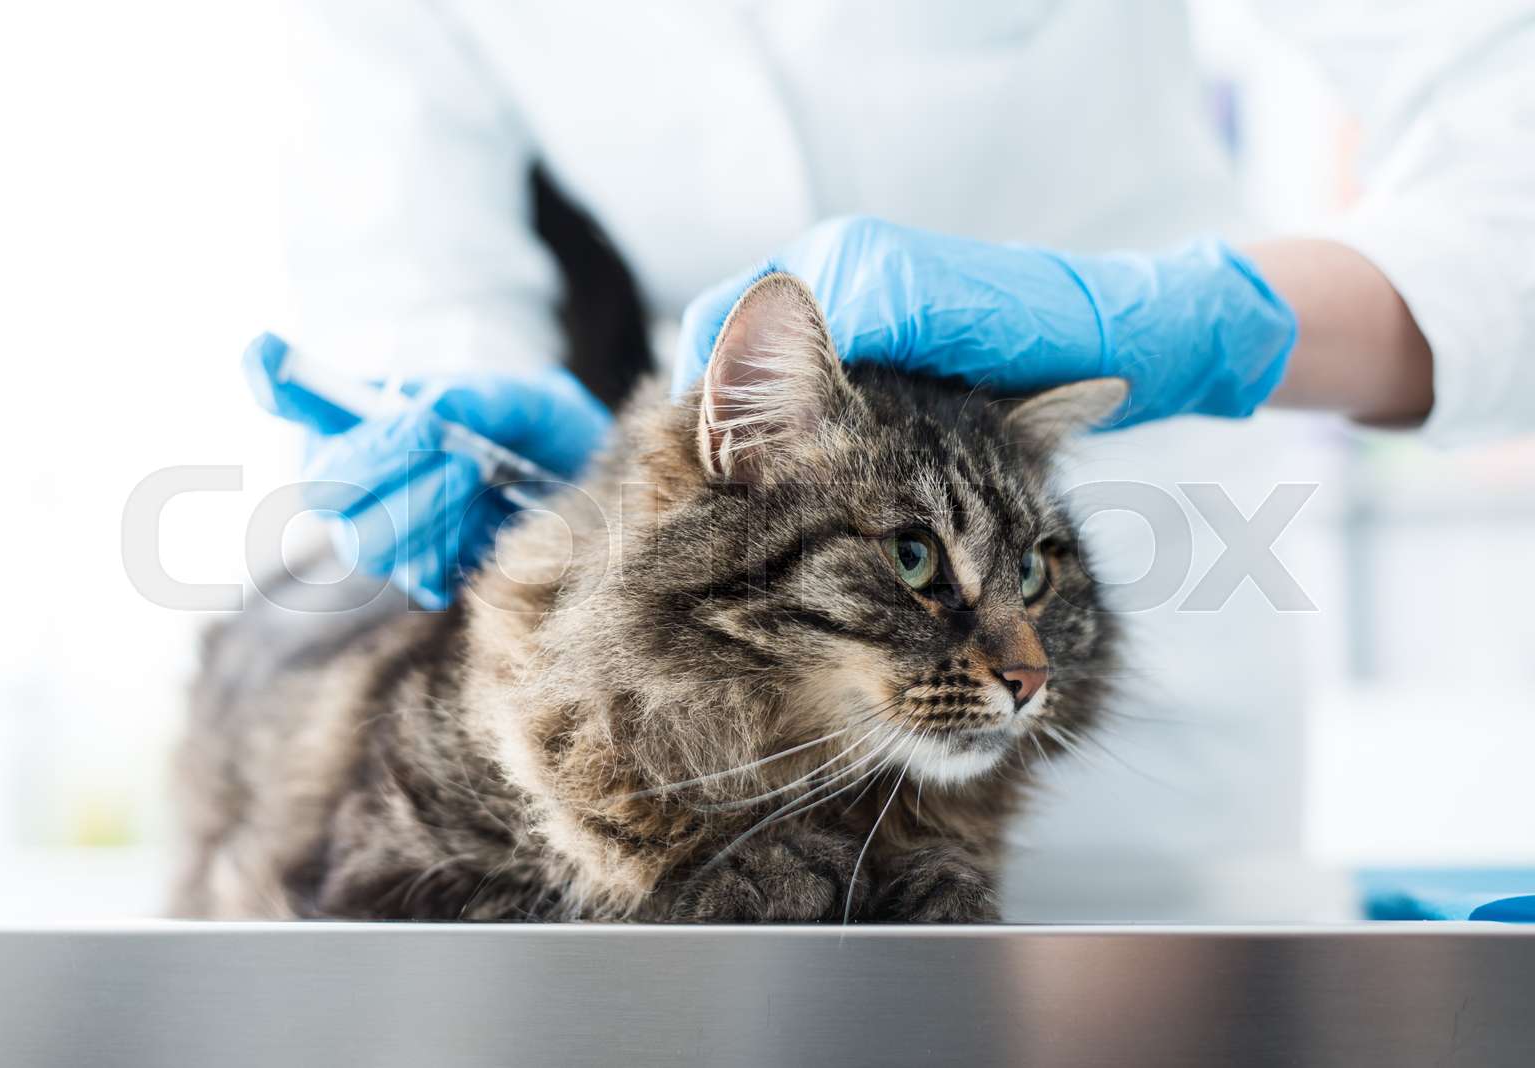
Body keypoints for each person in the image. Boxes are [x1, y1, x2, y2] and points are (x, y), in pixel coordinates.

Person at [275, 1, 1535, 919]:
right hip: (744, 483)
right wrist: (453, 399)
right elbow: (406, 247)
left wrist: (1211, 320)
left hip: (1109, 480)